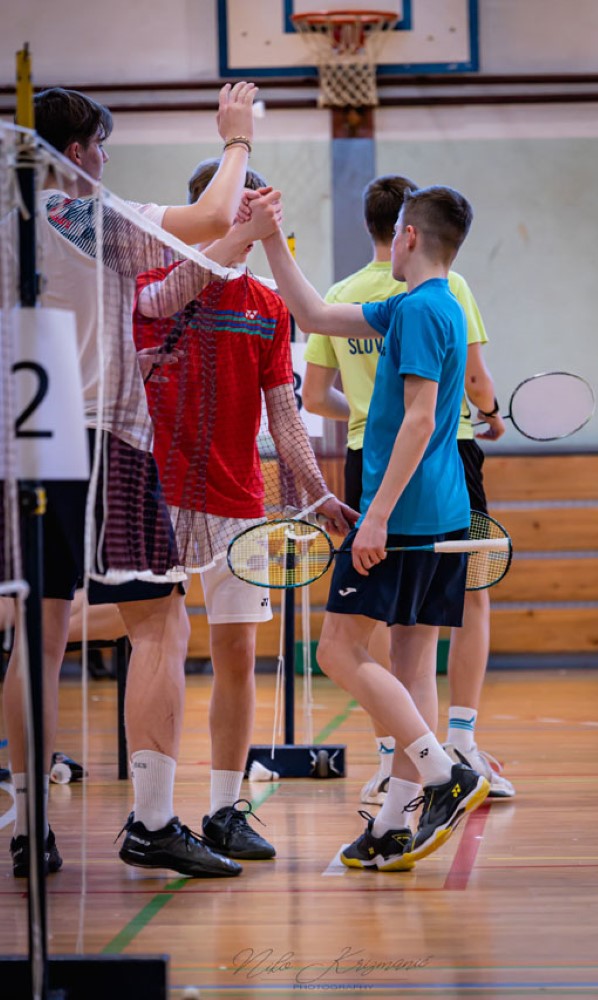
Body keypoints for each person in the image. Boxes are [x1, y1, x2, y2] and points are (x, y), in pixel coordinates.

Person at [3, 83, 263, 879]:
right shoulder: (73, 213)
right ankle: (151, 822)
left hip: (22, 445)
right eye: (102, 149)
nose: (107, 163)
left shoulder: (16, 223)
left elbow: (163, 283)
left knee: (38, 635)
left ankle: (30, 826)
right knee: (158, 621)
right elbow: (214, 218)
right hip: (100, 436)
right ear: (75, 154)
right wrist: (236, 141)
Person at [260, 184, 490, 871]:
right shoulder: (421, 304)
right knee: (409, 664)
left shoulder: (419, 311)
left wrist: (378, 517)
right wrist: (272, 236)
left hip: (406, 511)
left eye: (394, 235)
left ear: (408, 237)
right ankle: (393, 821)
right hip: (438, 508)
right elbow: (313, 313)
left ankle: (445, 774)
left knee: (337, 651)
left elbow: (419, 420)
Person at [133, 160, 356, 860]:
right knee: (146, 637)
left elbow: (285, 415)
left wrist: (316, 488)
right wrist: (235, 235)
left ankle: (225, 811)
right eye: (232, 209)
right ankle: (152, 815)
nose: (245, 220)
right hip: (157, 496)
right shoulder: (154, 283)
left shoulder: (267, 304)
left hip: (240, 502)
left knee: (237, 655)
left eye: (253, 209)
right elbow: (171, 294)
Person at [302, 175, 515, 803]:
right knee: (430, 636)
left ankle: (431, 767)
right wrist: (492, 411)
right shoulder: (446, 292)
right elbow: (473, 381)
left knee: (348, 645)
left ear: (406, 235)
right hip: (444, 471)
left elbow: (323, 396)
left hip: (390, 477)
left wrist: (372, 430)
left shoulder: (386, 298)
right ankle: (437, 767)